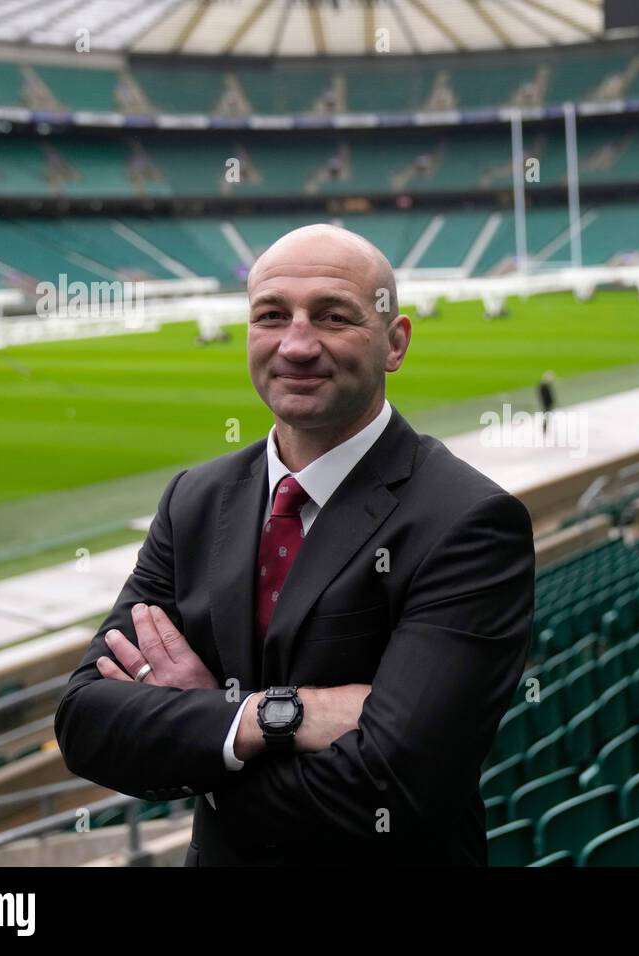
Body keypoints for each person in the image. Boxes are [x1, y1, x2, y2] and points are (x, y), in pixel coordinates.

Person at [54, 224, 535, 866]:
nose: (298, 344)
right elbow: (86, 722)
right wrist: (263, 717)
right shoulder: (194, 499)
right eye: (272, 316)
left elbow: (389, 787)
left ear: (396, 343)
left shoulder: (470, 520)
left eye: (334, 317)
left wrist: (200, 740)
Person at [537, 370, 556, 435]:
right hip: (546, 404)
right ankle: (544, 429)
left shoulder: (545, 386)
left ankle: (545, 428)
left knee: (546, 416)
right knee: (546, 416)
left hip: (547, 404)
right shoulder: (543, 386)